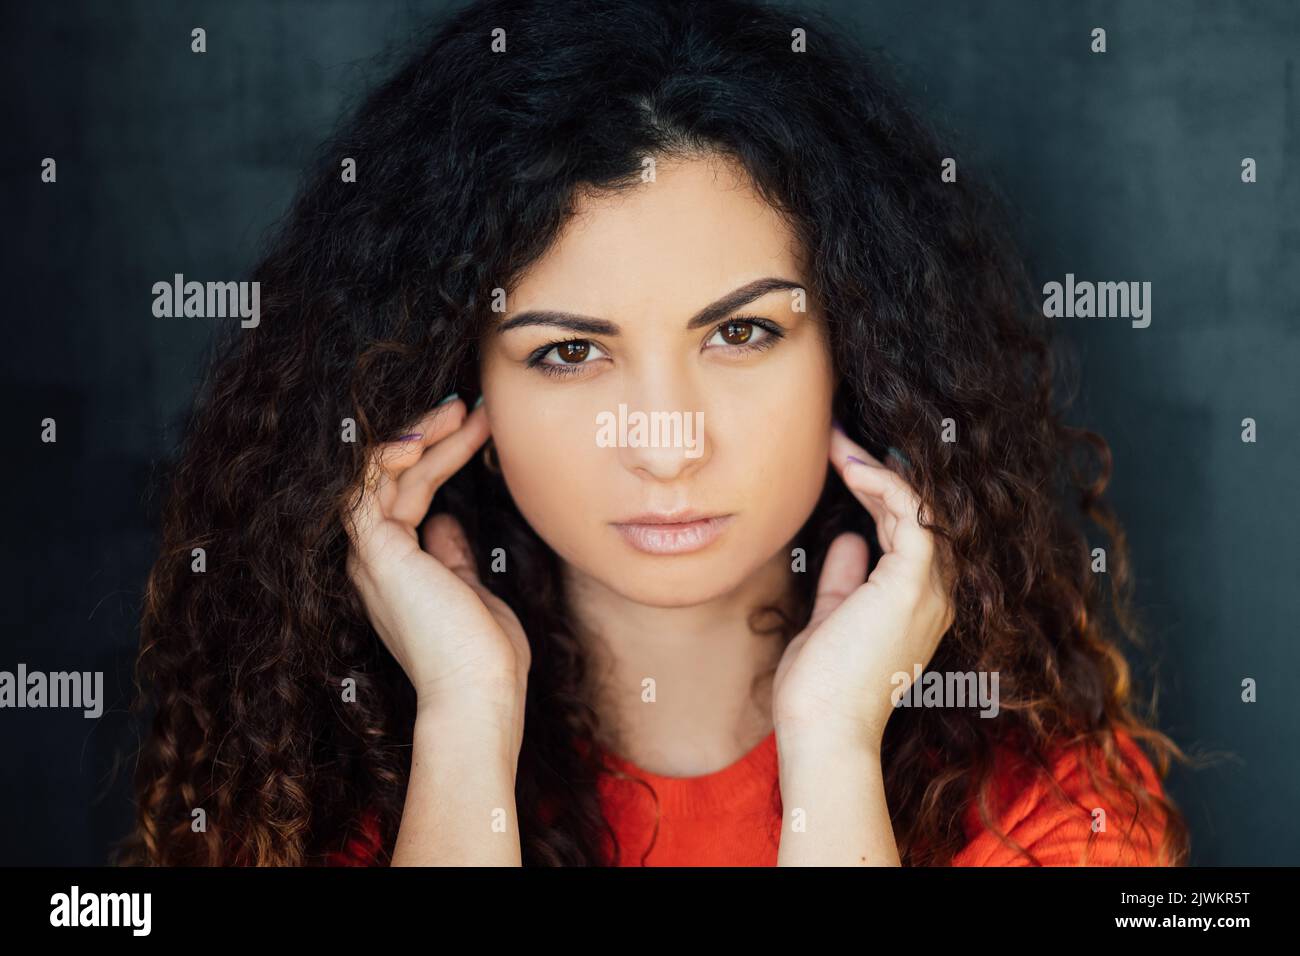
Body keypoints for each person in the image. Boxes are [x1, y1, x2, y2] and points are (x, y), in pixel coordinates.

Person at [117, 0, 1189, 867]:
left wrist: (832, 754)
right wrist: (464, 718)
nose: (667, 443)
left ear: (853, 356)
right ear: (455, 399)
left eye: (741, 330)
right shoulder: (318, 803)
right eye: (568, 352)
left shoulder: (1048, 821)